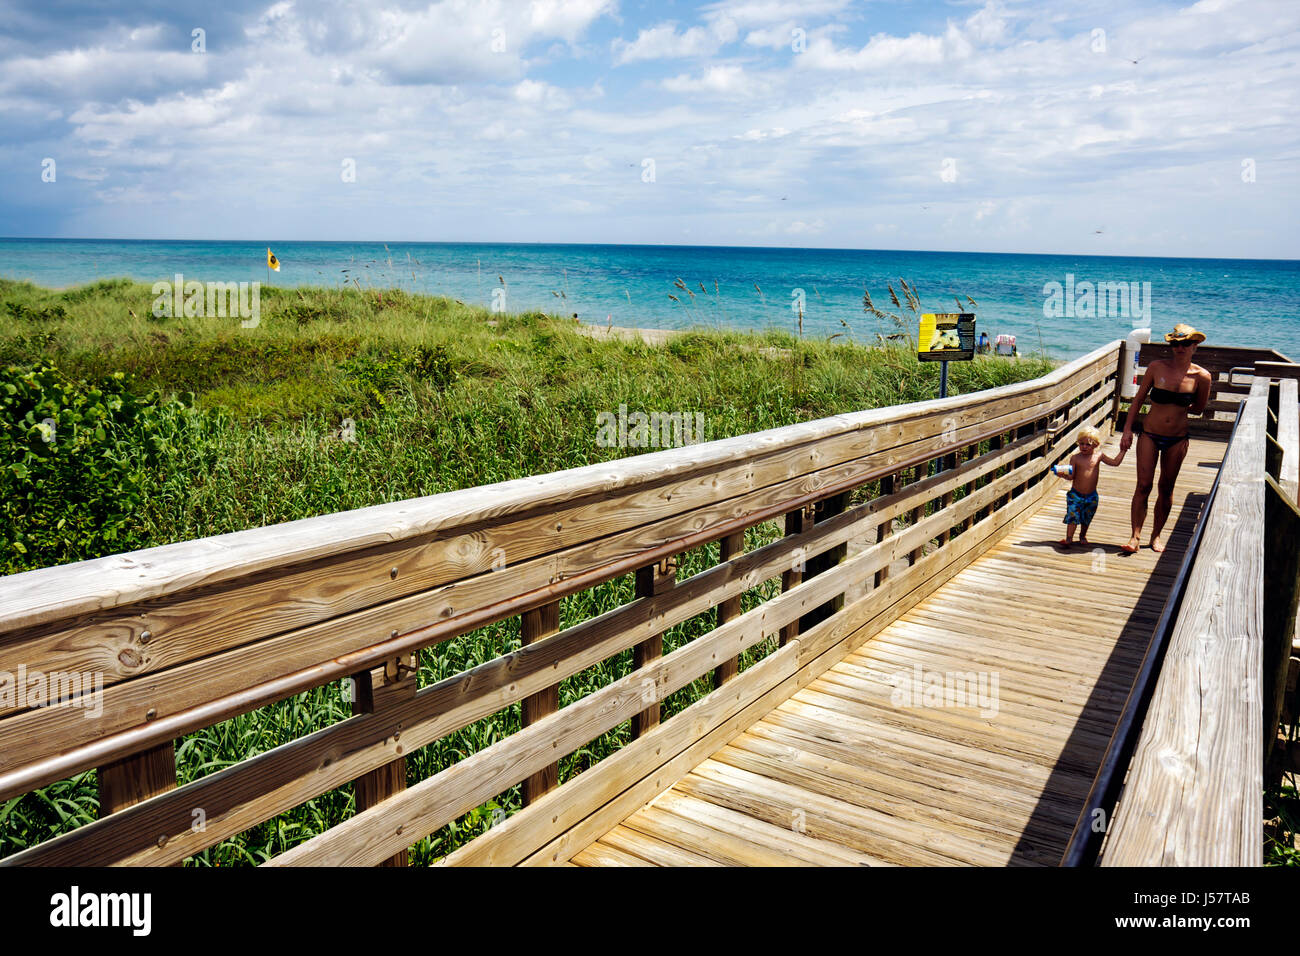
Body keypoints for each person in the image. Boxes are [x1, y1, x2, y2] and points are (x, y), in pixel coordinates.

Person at [1118, 324, 1212, 553]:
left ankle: (1156, 535)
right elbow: (1138, 399)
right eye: (1175, 344)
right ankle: (1135, 537)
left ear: (1194, 346)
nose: (1179, 348)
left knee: (1166, 488)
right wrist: (1128, 430)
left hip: (1177, 439)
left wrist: (1178, 406)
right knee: (1143, 485)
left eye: (1185, 344)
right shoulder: (1156, 367)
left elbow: (1199, 408)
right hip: (1149, 434)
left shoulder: (1202, 376)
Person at [1050, 425, 1127, 548]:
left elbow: (1115, 463)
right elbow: (1071, 476)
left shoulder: (1099, 456)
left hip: (1091, 496)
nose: (1084, 447)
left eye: (1088, 444)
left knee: (1087, 517)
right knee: (1073, 515)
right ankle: (1069, 538)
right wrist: (1062, 475)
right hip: (1075, 494)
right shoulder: (1075, 458)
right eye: (1081, 444)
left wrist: (1123, 451)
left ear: (1096, 445)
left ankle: (1082, 535)